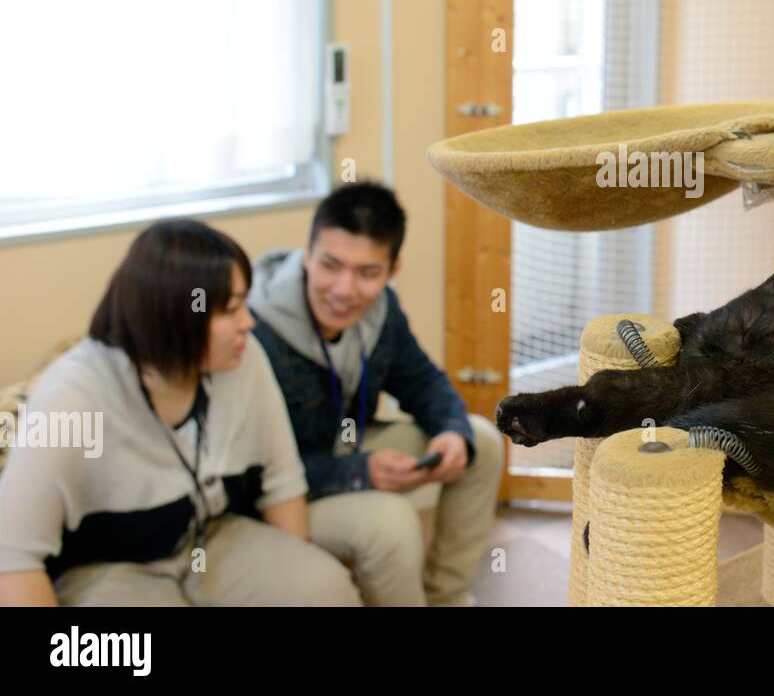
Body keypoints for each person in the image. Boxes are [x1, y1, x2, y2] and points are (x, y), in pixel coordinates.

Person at [0, 220, 363, 606]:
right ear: (175, 319)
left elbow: (282, 480)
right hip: (110, 566)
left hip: (208, 536)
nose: (248, 322)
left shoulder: (244, 358)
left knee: (325, 588)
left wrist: (293, 574)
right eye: (231, 309)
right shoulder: (71, 396)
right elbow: (13, 556)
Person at [249, 181, 503, 607]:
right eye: (331, 265)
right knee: (393, 523)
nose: (345, 290)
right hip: (282, 491)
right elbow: (250, 472)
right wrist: (361, 472)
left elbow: (424, 383)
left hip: (346, 448)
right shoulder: (256, 331)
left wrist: (451, 431)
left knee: (482, 442)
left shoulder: (382, 310)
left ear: (392, 269)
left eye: (368, 273)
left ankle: (446, 598)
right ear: (307, 255)